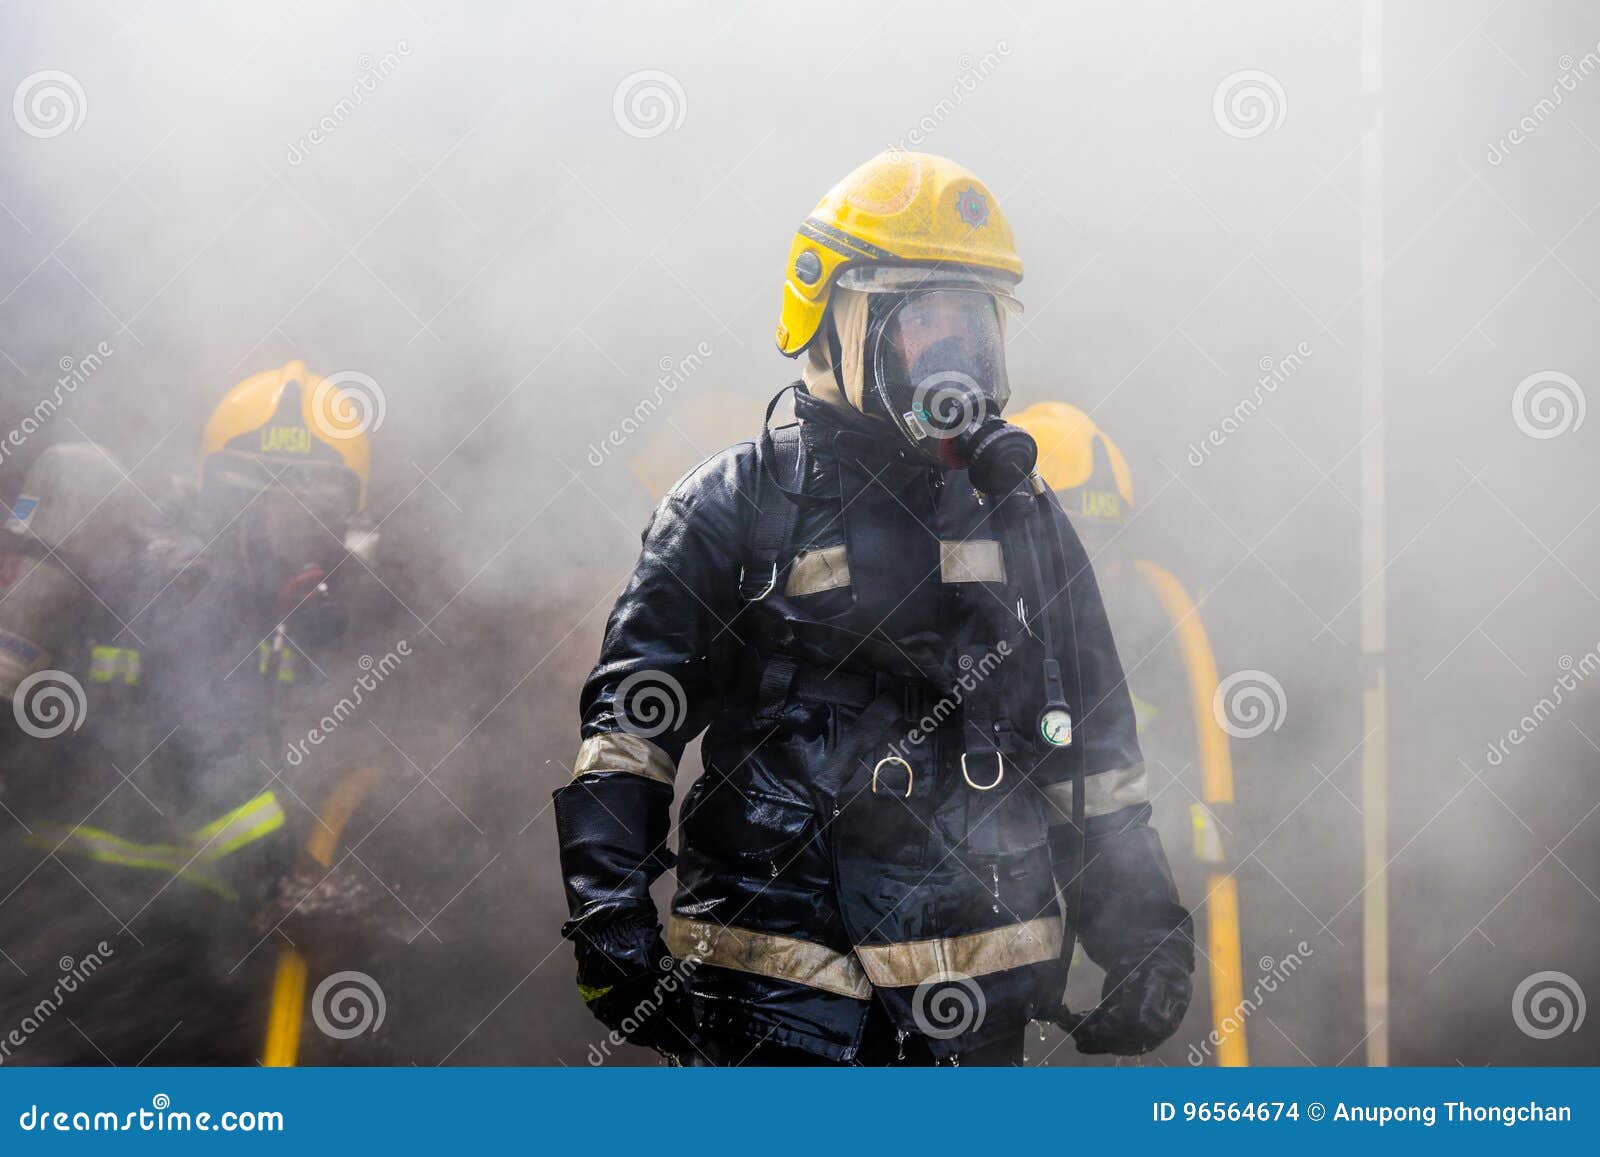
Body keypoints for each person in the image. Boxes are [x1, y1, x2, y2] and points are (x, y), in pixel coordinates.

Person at [556, 151, 1194, 1066]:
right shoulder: (736, 505)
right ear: (839, 323)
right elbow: (628, 734)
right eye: (925, 323)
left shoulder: (1024, 517)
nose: (956, 361)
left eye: (973, 328)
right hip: (774, 1014)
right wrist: (607, 909)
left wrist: (1143, 931)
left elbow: (1093, 755)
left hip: (975, 1017)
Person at [0, 361, 388, 1064]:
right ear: (209, 494)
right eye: (255, 493)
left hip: (178, 952)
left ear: (347, 524)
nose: (279, 528)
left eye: (310, 505)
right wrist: (282, 881)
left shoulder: (313, 627)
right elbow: (198, 739)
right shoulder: (167, 575)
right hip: (73, 925)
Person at [1012, 401, 1251, 1066]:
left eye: (1107, 537)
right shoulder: (970, 626)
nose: (1097, 566)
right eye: (1077, 535)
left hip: (1122, 924)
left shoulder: (1164, 623)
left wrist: (1152, 940)